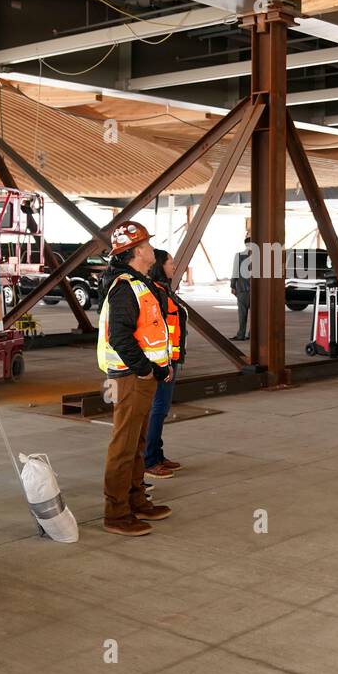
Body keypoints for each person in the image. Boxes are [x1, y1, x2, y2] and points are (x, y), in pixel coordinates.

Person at [96, 221, 174, 537]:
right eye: (149, 245)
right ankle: (115, 513)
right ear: (138, 251)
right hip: (130, 377)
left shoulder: (139, 283)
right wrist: (144, 369)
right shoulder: (126, 287)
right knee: (124, 444)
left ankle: (136, 500)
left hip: (142, 376)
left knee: (137, 442)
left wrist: (157, 368)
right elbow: (121, 336)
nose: (153, 249)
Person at [143, 250, 186, 480]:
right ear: (161, 265)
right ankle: (149, 460)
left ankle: (157, 455)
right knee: (158, 409)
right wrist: (164, 361)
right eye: (171, 262)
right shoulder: (156, 293)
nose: (174, 265)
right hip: (162, 360)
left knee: (161, 408)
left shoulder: (163, 290)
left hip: (170, 358)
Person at [230, 235, 251, 342]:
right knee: (256, 315)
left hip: (242, 290)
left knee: (242, 315)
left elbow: (235, 272)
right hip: (256, 292)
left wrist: (232, 286)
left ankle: (241, 334)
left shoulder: (239, 256)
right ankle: (253, 334)